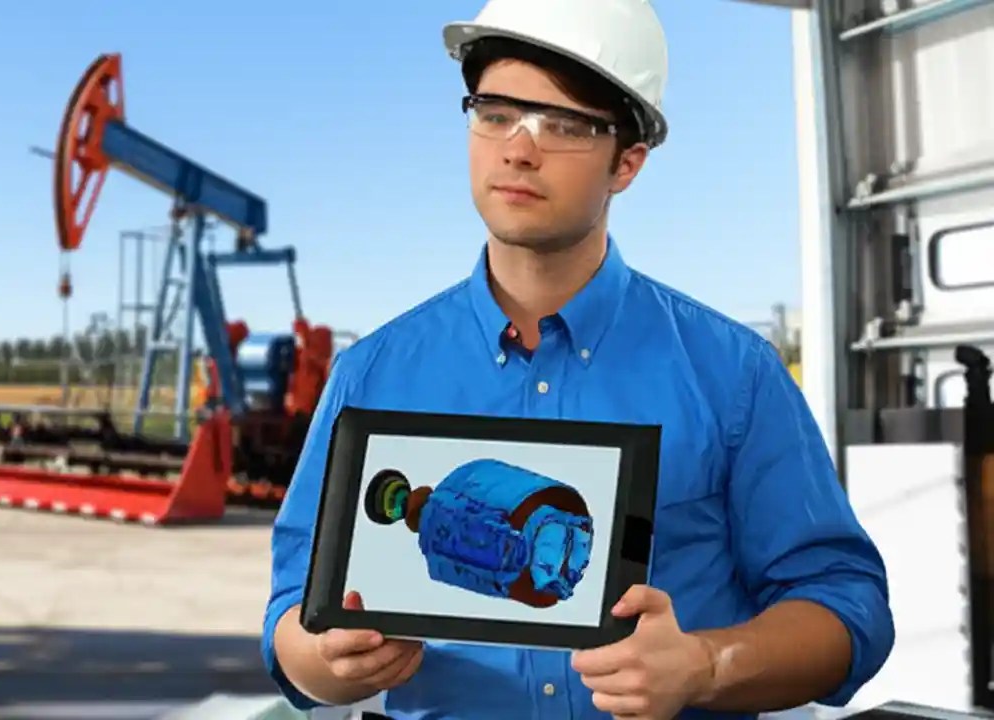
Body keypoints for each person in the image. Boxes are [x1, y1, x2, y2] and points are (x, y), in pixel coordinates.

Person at [260, 0, 895, 718]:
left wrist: (704, 664)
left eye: (563, 125)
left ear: (627, 162)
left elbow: (848, 606)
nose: (519, 149)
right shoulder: (373, 374)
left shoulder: (733, 374)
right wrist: (329, 661)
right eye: (495, 113)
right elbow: (292, 620)